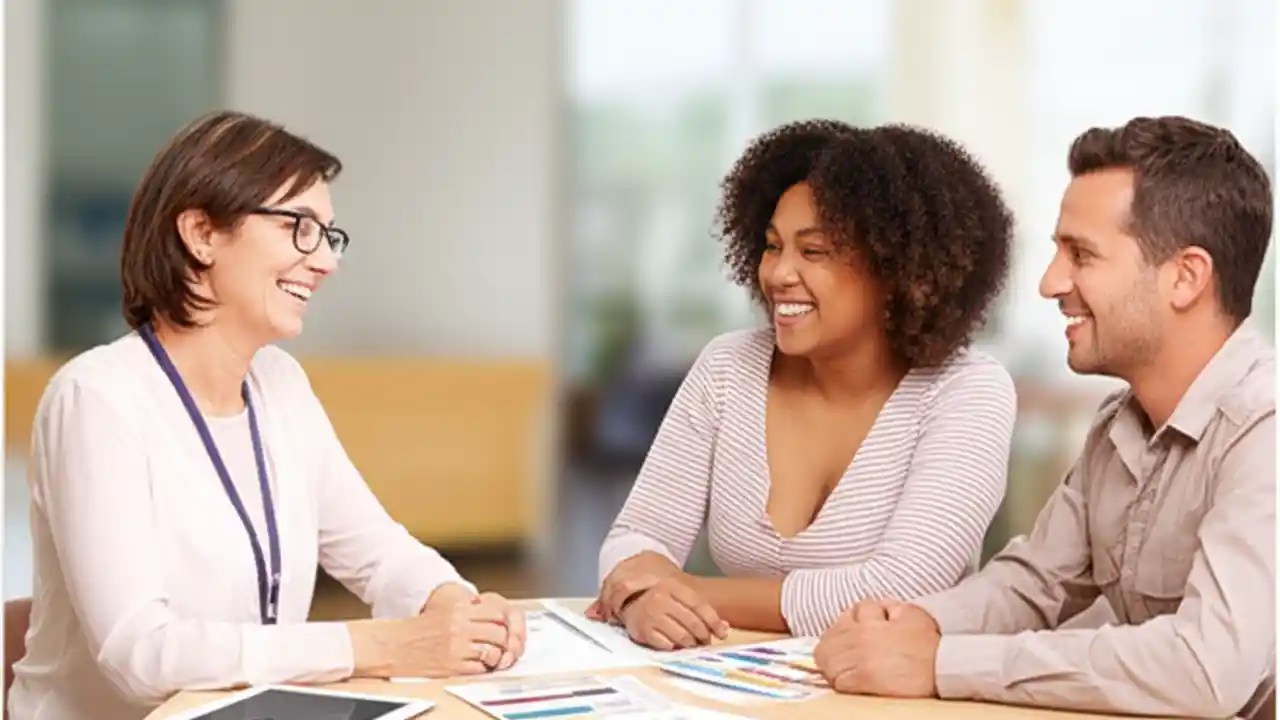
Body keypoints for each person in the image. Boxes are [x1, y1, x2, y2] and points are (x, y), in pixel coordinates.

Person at [9, 111, 527, 720]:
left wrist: (454, 607)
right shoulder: (96, 399)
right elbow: (139, 655)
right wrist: (379, 644)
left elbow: (377, 550)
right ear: (201, 233)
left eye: (329, 236)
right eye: (300, 227)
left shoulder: (280, 384)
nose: (326, 262)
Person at [814, 115, 1275, 720]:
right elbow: (1034, 583)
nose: (1050, 283)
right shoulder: (1121, 424)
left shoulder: (1264, 431)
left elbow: (1204, 669)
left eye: (1080, 254)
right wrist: (914, 624)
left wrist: (940, 664)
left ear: (1185, 277)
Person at [589, 119, 1019, 648]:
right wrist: (637, 600)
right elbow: (636, 536)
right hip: (735, 689)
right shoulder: (728, 366)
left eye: (812, 252)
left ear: (900, 270)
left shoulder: (968, 391)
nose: (778, 274)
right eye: (772, 247)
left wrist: (682, 590)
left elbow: (902, 588)